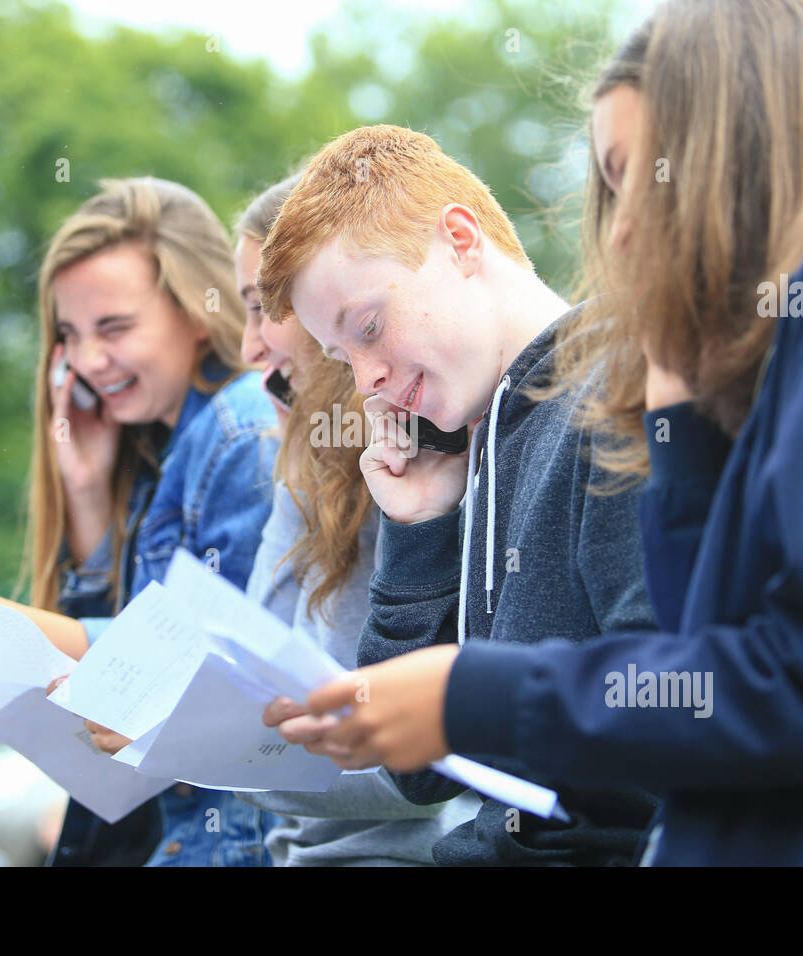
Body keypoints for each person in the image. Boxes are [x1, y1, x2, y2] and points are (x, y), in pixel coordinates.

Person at [299, 0, 803, 865]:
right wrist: (676, 428)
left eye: (639, 173)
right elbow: (701, 652)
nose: (626, 221)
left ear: (740, 141)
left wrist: (474, 693)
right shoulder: (790, 340)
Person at [257, 126, 658, 865]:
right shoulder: (486, 440)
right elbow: (413, 771)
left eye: (370, 327)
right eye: (344, 358)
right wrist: (418, 533)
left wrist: (469, 691)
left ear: (462, 241)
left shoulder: (615, 401)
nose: (366, 378)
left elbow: (665, 710)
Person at [0, 177, 280, 866]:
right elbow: (114, 705)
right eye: (70, 336)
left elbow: (216, 678)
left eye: (115, 328)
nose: (89, 361)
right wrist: (84, 493)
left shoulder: (241, 435)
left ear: (199, 311)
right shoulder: (158, 451)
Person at [231, 174, 480, 864]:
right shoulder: (308, 462)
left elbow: (414, 770)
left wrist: (217, 751)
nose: (250, 346)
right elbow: (256, 663)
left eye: (261, 308)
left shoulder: (425, 457)